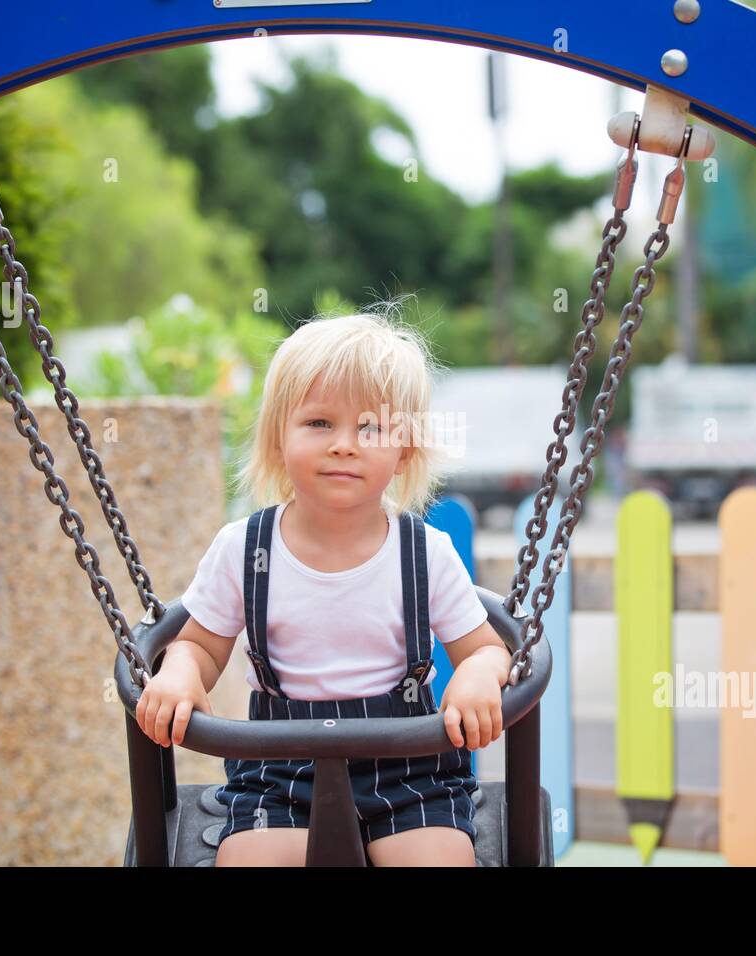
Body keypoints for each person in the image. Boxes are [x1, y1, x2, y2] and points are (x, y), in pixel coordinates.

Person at [135, 303, 512, 867]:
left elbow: (485, 648)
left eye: (371, 427)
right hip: (278, 772)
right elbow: (199, 644)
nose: (344, 444)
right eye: (318, 423)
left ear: (403, 448)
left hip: (409, 772)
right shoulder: (245, 548)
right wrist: (182, 673)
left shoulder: (424, 554)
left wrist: (480, 674)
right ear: (277, 438)